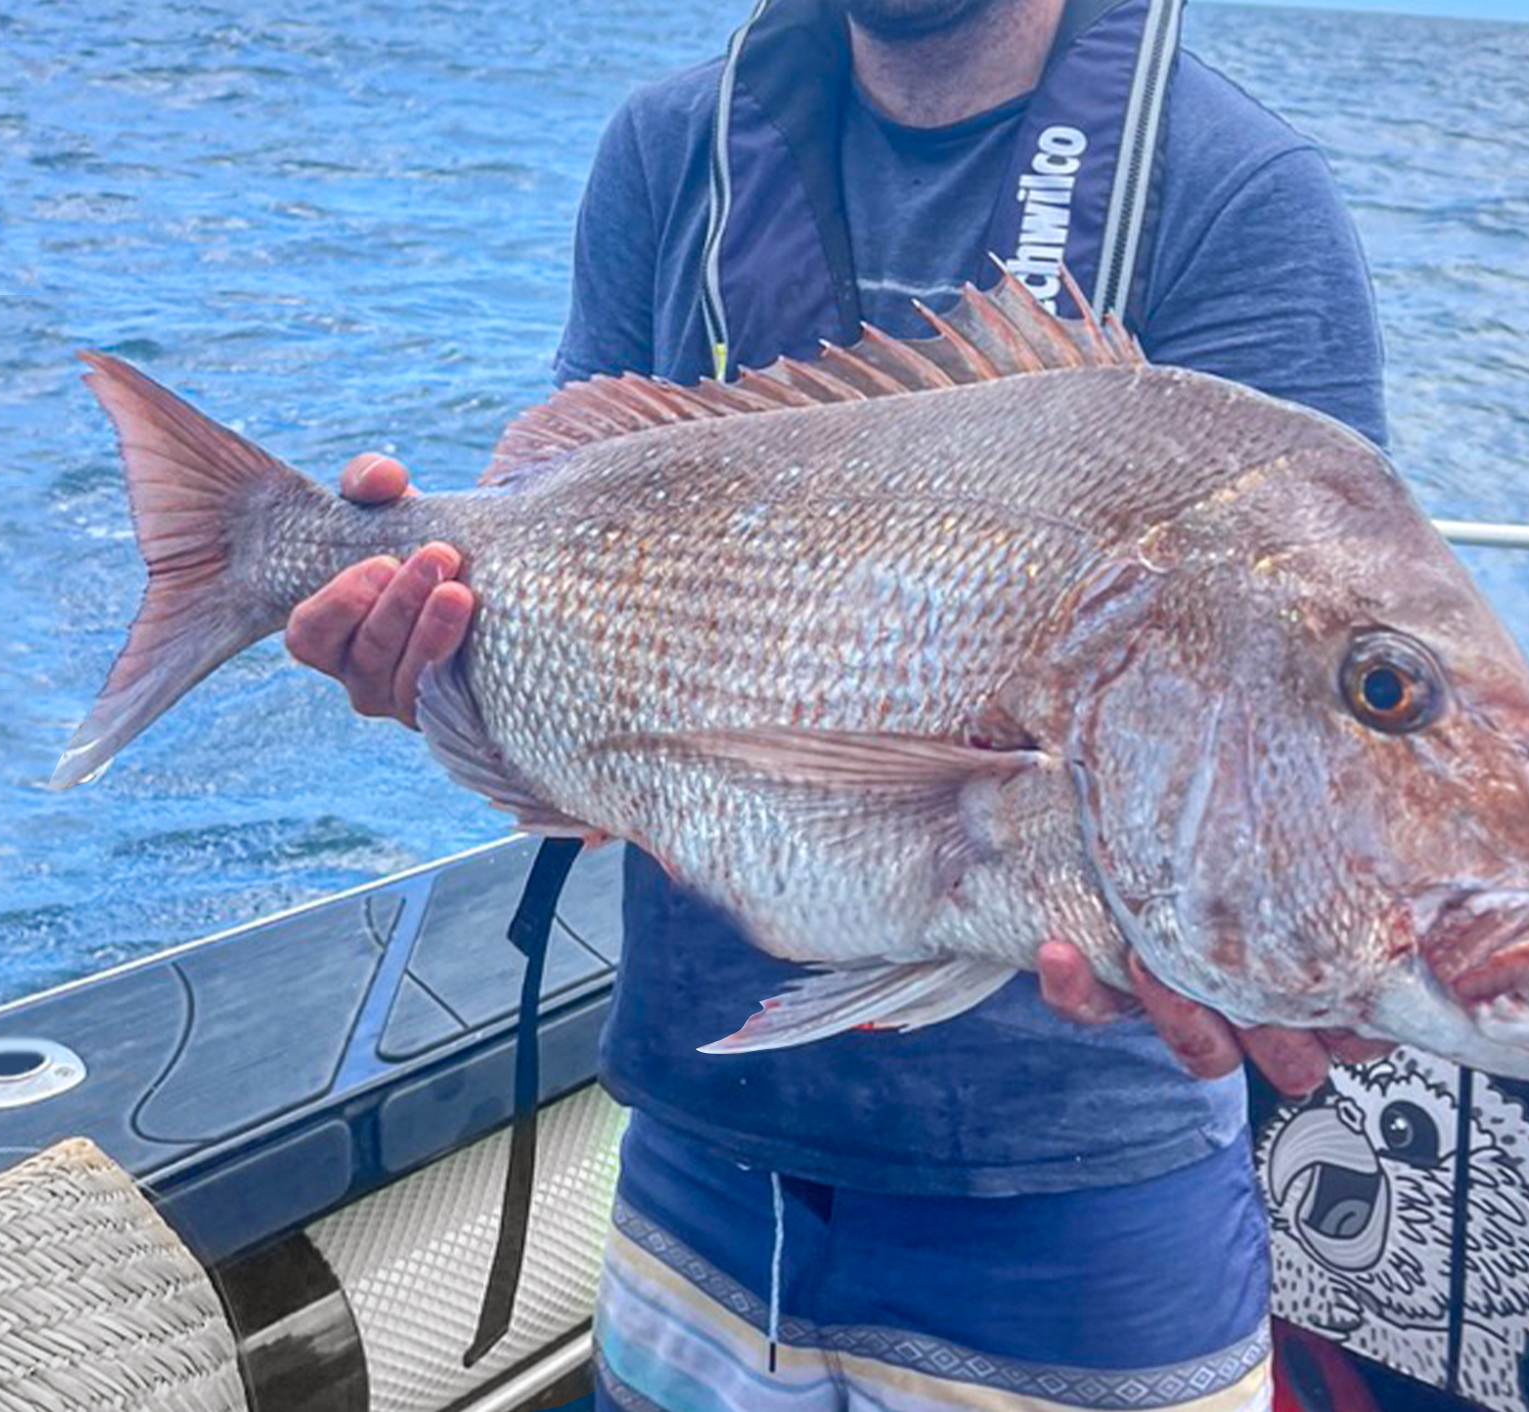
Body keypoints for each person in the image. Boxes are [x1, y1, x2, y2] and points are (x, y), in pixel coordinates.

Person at [285, 0, 1388, 1406]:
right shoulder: (670, 150)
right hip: (700, 1144)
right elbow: (559, 548)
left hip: (1077, 1211)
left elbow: (1311, 693)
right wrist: (439, 661)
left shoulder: (1237, 191)